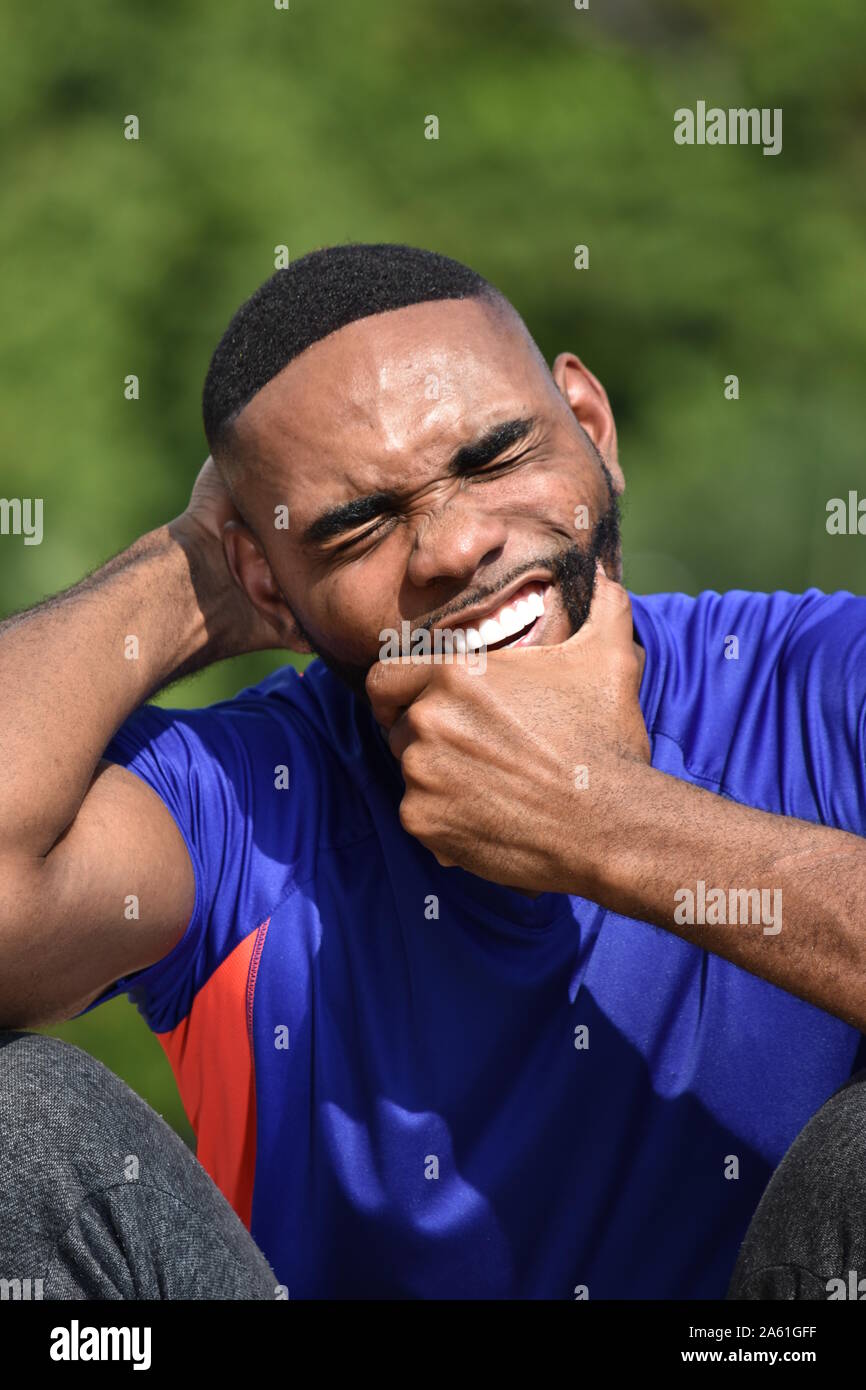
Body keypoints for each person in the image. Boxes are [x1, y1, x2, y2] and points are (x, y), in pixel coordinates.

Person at [1, 242, 864, 1300]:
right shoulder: (250, 801)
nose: (454, 547)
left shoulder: (820, 678)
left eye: (493, 457)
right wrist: (187, 573)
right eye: (356, 525)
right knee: (15, 1119)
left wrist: (606, 824)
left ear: (590, 429)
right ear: (270, 586)